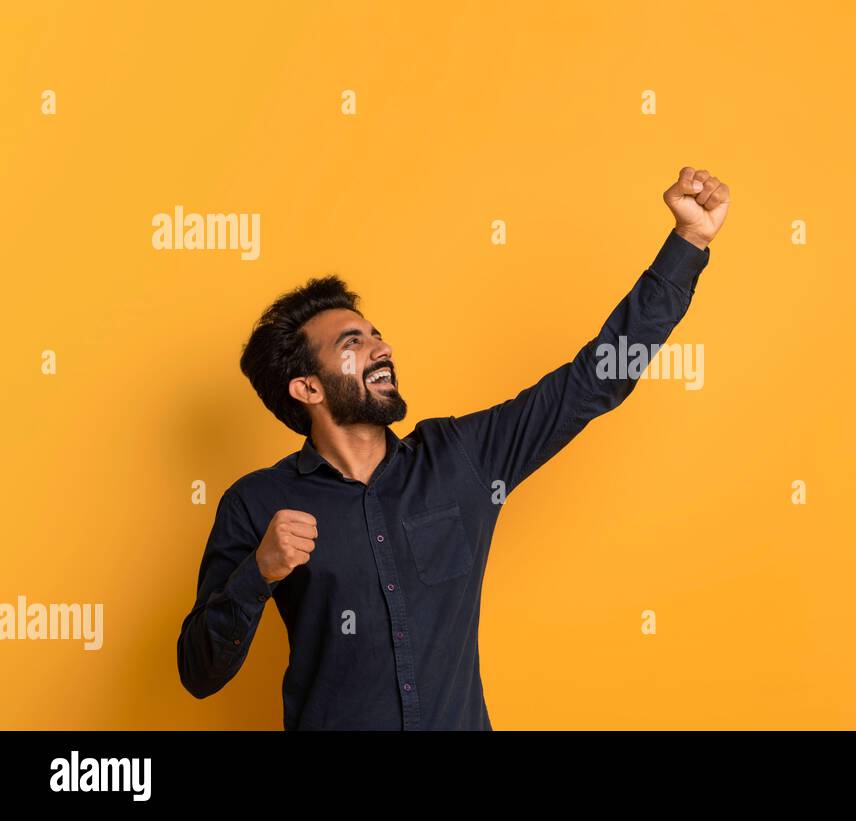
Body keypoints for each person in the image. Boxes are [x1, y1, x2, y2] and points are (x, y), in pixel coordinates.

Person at [176, 167, 731, 729]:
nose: (382, 347)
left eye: (376, 334)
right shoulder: (256, 503)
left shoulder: (463, 458)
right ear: (308, 388)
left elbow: (595, 381)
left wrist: (688, 243)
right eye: (354, 342)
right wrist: (259, 571)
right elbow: (199, 674)